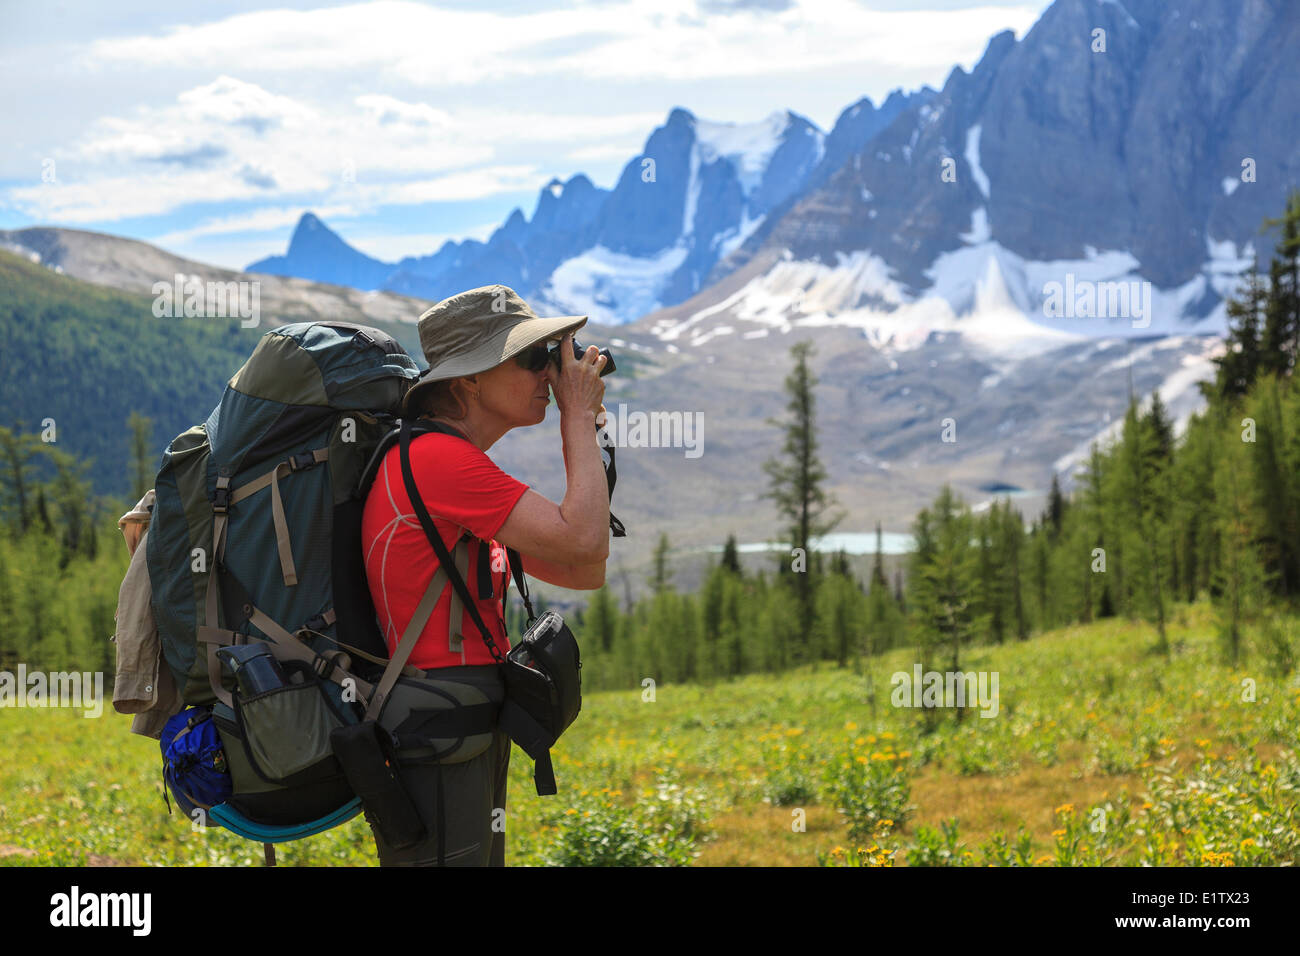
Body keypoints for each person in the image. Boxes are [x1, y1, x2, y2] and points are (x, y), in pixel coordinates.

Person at [359, 284, 611, 866]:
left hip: (454, 723)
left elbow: (588, 568)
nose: (549, 374)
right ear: (468, 379)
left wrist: (583, 429)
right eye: (531, 358)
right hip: (440, 725)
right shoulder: (438, 463)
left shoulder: (446, 461)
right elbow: (586, 539)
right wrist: (575, 415)